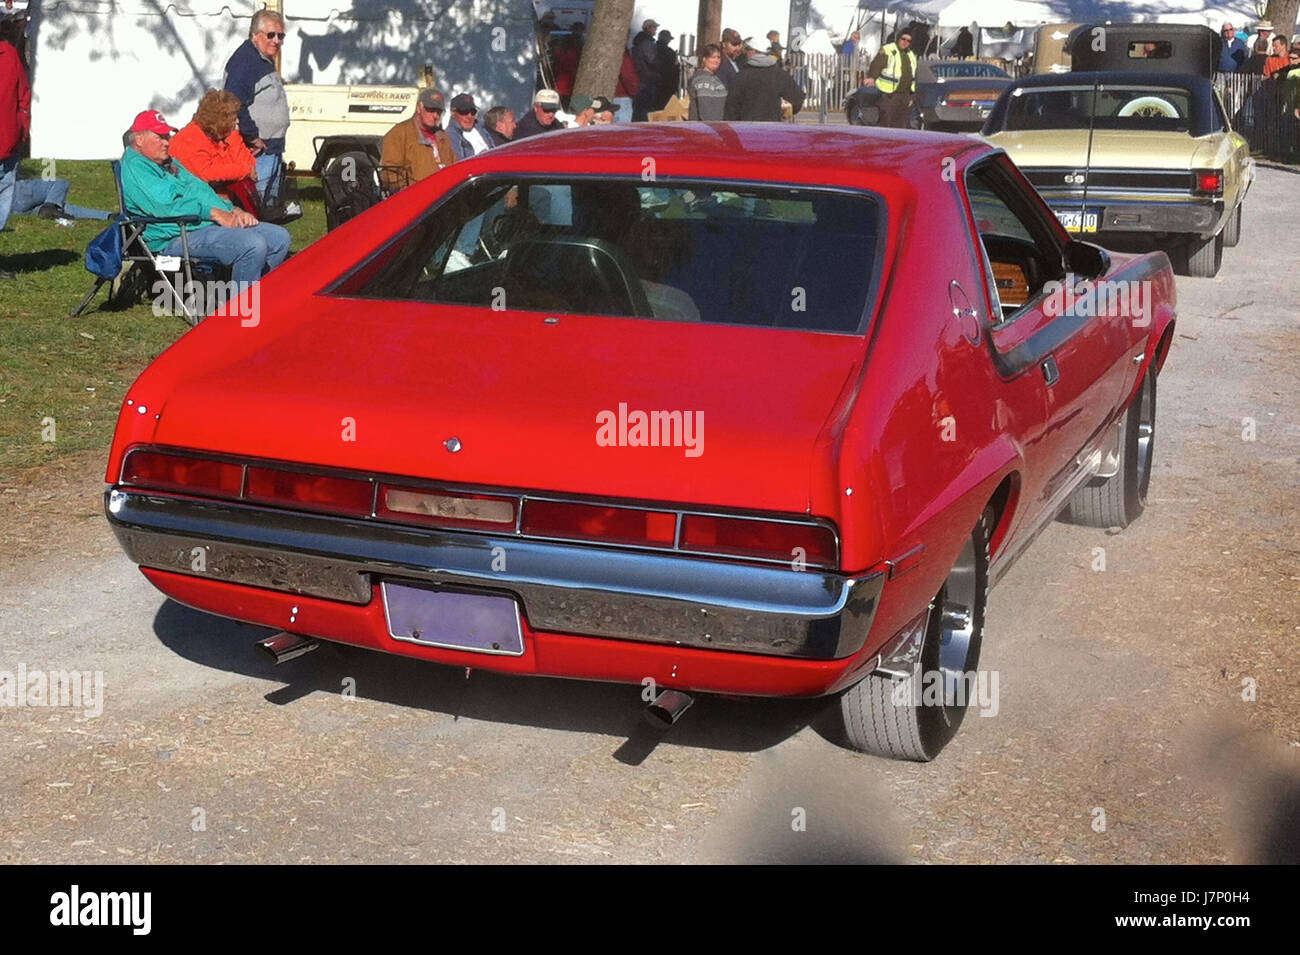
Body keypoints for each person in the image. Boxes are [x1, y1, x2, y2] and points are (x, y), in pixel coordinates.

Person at [120, 109, 290, 289]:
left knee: (278, 238)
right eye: (160, 137)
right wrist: (213, 213)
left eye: (167, 136)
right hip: (174, 236)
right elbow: (166, 206)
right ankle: (241, 310)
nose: (166, 142)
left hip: (199, 225)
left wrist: (231, 210)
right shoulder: (136, 166)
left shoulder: (168, 163)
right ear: (139, 140)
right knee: (252, 244)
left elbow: (201, 190)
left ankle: (255, 297)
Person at [223, 9, 290, 205]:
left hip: (269, 148)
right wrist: (251, 136)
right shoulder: (246, 62)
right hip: (257, 152)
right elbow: (232, 100)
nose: (276, 40)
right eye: (271, 35)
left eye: (281, 36)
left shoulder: (262, 60)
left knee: (268, 207)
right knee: (257, 207)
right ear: (255, 35)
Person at [168, 89, 258, 209]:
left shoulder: (218, 137)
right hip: (197, 206)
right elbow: (207, 173)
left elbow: (249, 164)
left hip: (223, 202)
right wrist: (244, 171)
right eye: (233, 119)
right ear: (221, 121)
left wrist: (234, 136)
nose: (237, 121)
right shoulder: (190, 138)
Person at [380, 88, 456, 190]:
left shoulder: (443, 136)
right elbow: (389, 173)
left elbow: (455, 166)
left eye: (439, 111)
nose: (435, 115)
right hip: (416, 198)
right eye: (431, 110)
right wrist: (412, 191)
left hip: (444, 197)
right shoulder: (399, 133)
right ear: (419, 108)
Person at [0, 26, 31, 279]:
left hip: (8, 146)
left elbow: (23, 97)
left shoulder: (8, 54)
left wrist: (22, 129)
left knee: (2, 206)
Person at [722, 36, 805, 121]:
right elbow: (798, 100)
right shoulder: (779, 75)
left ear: (752, 52)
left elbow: (731, 110)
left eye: (746, 50)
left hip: (746, 129)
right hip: (771, 129)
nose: (744, 53)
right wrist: (784, 113)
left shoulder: (740, 76)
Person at [865, 29, 918, 128]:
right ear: (898, 38)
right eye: (903, 39)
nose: (905, 42)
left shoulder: (910, 54)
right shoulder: (888, 49)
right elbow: (877, 64)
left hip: (905, 96)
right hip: (889, 95)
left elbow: (913, 75)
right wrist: (872, 77)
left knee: (902, 124)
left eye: (908, 41)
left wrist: (912, 95)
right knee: (886, 123)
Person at [10, 176, 112, 222]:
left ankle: (107, 216)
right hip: (16, 193)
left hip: (10, 210)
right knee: (60, 182)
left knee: (59, 208)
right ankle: (50, 206)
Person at [631, 18, 661, 120]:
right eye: (654, 27)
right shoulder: (646, 42)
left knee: (639, 105)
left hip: (640, 76)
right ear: (648, 28)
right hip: (648, 77)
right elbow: (651, 59)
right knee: (646, 106)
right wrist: (661, 67)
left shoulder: (638, 41)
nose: (655, 30)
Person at [445, 93, 493, 158]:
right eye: (464, 111)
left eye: (473, 112)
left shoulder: (482, 127)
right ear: (453, 113)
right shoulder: (451, 135)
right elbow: (459, 164)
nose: (469, 116)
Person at [689, 43, 728, 120]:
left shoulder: (713, 77)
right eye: (713, 57)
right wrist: (713, 127)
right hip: (708, 128)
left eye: (719, 57)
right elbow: (705, 111)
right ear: (704, 59)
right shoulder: (703, 80)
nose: (717, 60)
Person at [654, 29, 679, 110]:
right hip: (667, 84)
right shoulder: (669, 52)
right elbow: (674, 67)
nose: (669, 41)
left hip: (655, 83)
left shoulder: (653, 48)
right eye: (668, 39)